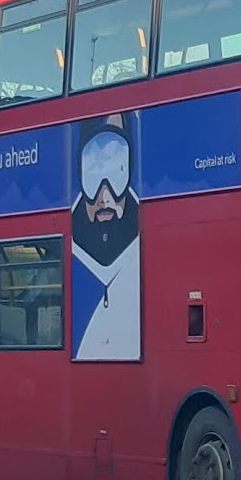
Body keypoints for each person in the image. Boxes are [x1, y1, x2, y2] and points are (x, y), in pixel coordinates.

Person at [69, 113, 141, 361]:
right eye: (94, 172)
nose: (105, 197)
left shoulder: (138, 240)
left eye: (116, 170)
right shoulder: (74, 249)